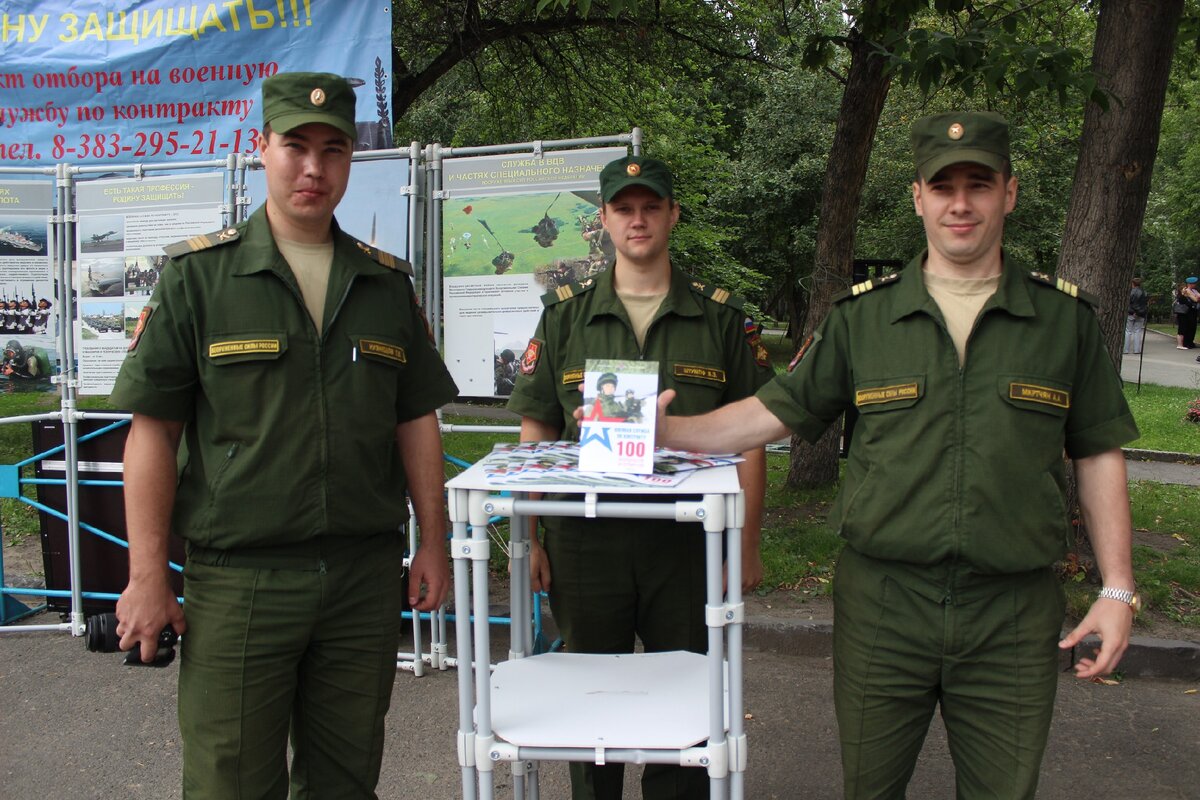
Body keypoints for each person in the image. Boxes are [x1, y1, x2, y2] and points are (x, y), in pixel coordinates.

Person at [652, 112, 1141, 799]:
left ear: (1010, 192)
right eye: (944, 187)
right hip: (885, 604)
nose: (961, 203)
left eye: (979, 183)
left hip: (1012, 611)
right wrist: (672, 435)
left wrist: (1116, 588)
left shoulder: (1063, 322)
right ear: (918, 197)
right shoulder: (861, 319)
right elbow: (773, 412)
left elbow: (1098, 454)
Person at [110, 72, 459, 799]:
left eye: (332, 150)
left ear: (349, 163)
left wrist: (433, 539)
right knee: (229, 780)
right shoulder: (198, 278)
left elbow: (415, 418)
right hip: (242, 582)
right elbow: (152, 431)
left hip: (361, 579)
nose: (313, 168)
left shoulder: (384, 285)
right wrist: (147, 576)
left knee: (344, 779)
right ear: (259, 149)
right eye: (295, 146)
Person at [506, 154, 775, 800]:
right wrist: (533, 535)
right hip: (585, 543)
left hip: (684, 548)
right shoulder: (564, 317)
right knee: (587, 699)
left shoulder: (719, 320)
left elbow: (754, 441)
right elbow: (537, 429)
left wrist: (748, 542)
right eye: (623, 208)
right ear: (603, 219)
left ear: (673, 213)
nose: (638, 220)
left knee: (682, 702)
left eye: (650, 206)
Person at [1124, 276, 1148, 354]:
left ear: (1133, 284)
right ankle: (1136, 350)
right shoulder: (1145, 293)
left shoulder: (1130, 292)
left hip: (1131, 313)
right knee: (1137, 331)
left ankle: (1125, 349)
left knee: (1128, 331)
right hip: (1141, 314)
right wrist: (1139, 312)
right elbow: (1145, 304)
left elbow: (1129, 303)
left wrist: (1133, 311)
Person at [1174, 277, 1199, 349]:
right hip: (1184, 313)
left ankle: (1189, 342)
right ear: (1189, 284)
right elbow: (1195, 299)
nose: (1195, 284)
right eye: (1194, 283)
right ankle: (1182, 344)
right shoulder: (1186, 290)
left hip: (1191, 312)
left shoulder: (1194, 290)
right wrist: (1195, 297)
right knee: (1183, 328)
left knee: (1191, 328)